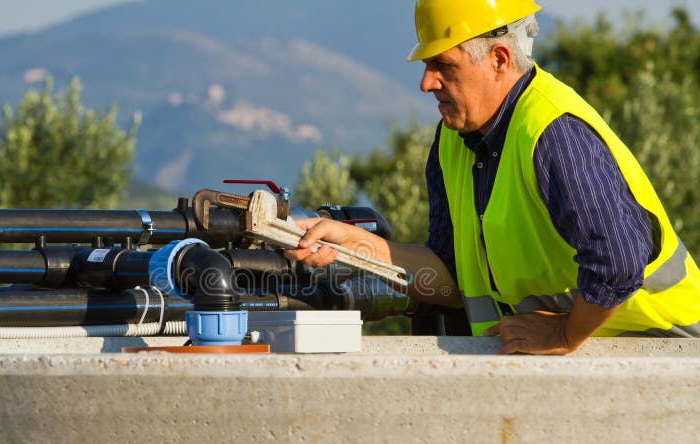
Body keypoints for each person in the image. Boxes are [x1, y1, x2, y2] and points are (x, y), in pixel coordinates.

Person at [285, 0, 700, 354]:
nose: (426, 82)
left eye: (443, 65)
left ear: (499, 60)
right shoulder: (453, 139)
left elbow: (618, 260)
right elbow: (451, 277)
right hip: (592, 369)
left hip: (670, 356)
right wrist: (356, 246)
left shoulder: (551, 133)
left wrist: (564, 332)